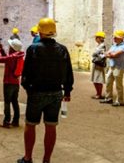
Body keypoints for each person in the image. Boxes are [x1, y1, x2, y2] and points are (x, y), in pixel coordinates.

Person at [17, 18, 73, 163]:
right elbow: (68, 72)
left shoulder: (33, 49)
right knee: (51, 127)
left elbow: (26, 73)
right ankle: (46, 160)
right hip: (56, 93)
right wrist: (67, 91)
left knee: (30, 125)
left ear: (40, 31)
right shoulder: (63, 49)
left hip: (36, 92)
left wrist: (28, 88)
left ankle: (28, 158)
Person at [0, 37, 24, 128]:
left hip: (8, 82)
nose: (9, 47)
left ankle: (6, 121)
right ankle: (15, 121)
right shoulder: (18, 55)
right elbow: (6, 57)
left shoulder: (12, 57)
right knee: (15, 101)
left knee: (7, 102)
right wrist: (2, 50)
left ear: (12, 48)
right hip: (15, 82)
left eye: (10, 46)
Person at [100, 29, 124, 107]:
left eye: (116, 37)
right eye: (114, 37)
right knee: (108, 82)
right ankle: (108, 98)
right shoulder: (114, 45)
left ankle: (119, 101)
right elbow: (108, 53)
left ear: (121, 38)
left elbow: (114, 55)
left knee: (118, 85)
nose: (114, 38)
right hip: (112, 67)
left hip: (118, 68)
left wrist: (108, 55)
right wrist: (109, 54)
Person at [90, 31, 107, 99]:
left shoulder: (102, 45)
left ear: (100, 38)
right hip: (96, 64)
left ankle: (99, 94)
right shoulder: (99, 45)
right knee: (95, 79)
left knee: (98, 79)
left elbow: (102, 55)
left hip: (99, 64)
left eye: (96, 37)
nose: (95, 39)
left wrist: (95, 55)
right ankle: (98, 93)